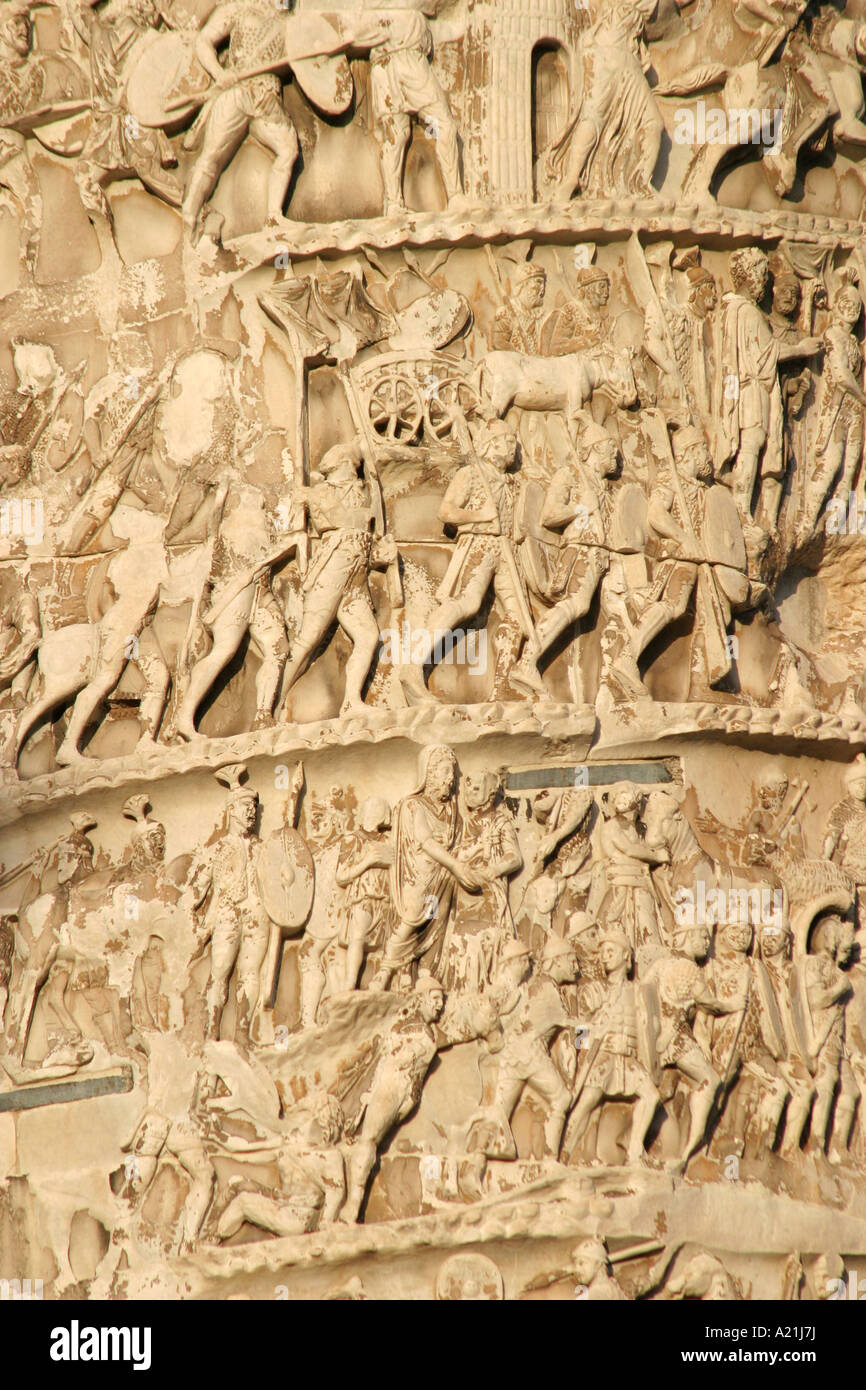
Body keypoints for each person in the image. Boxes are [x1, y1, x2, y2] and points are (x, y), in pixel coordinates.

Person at [563, 928, 660, 1167]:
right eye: (603, 952)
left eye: (611, 951)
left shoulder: (639, 991)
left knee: (651, 1095)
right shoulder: (595, 990)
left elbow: (648, 1027)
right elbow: (581, 1027)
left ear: (626, 955)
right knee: (586, 1102)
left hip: (627, 1059)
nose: (605, 956)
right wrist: (580, 1054)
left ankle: (635, 1151)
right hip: (603, 1057)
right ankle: (564, 1153)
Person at [335, 797, 393, 990]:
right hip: (363, 897)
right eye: (376, 808)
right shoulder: (353, 839)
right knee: (358, 937)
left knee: (388, 942)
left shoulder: (387, 840)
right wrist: (367, 861)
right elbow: (341, 876)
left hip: (386, 899)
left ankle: (382, 983)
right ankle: (350, 982)